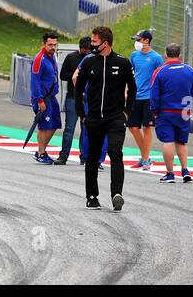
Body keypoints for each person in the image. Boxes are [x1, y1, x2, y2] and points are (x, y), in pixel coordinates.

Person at [74, 25, 137, 211]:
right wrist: (81, 114)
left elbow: (133, 88)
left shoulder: (122, 62)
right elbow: (78, 87)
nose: (91, 44)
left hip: (116, 117)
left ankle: (116, 193)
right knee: (92, 156)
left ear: (105, 43)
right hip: (93, 117)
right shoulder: (88, 62)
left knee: (115, 151)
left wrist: (127, 111)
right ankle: (92, 196)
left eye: (95, 41)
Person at [149, 44, 193, 184]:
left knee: (168, 141)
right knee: (181, 142)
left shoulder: (160, 71)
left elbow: (154, 95)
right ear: (180, 55)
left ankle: (170, 174)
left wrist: (155, 111)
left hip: (166, 111)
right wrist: (192, 110)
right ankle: (185, 171)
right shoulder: (189, 70)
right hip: (184, 112)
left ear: (166, 55)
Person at [127, 29, 164, 170]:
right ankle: (145, 156)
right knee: (133, 127)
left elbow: (160, 78)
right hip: (135, 95)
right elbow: (131, 73)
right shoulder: (134, 55)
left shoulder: (156, 58)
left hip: (149, 97)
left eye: (139, 40)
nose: (136, 42)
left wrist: (158, 97)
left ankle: (145, 158)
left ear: (147, 41)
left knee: (147, 127)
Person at [56, 37, 90, 165]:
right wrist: (76, 75)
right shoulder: (71, 57)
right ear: (80, 48)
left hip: (87, 98)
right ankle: (63, 156)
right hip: (73, 97)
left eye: (89, 50)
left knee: (86, 128)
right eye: (85, 49)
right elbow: (62, 75)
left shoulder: (92, 59)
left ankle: (85, 156)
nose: (87, 52)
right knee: (69, 128)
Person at [29, 32, 62, 164]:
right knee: (44, 125)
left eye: (55, 45)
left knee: (55, 123)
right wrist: (39, 100)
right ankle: (41, 153)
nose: (53, 47)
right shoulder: (39, 58)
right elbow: (34, 81)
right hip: (42, 98)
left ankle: (40, 150)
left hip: (51, 96)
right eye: (50, 45)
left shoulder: (53, 57)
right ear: (44, 44)